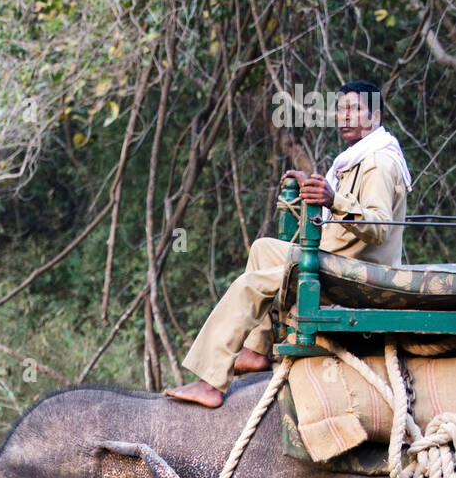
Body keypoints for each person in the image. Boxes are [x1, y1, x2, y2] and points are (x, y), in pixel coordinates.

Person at [165, 81, 413, 408]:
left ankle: (210, 382)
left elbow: (378, 226)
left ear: (375, 115)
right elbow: (341, 204)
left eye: (355, 110)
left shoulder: (379, 162)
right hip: (340, 256)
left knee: (250, 285)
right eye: (341, 109)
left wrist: (332, 198)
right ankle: (256, 349)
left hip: (358, 272)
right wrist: (313, 184)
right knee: (262, 248)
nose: (345, 117)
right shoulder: (357, 157)